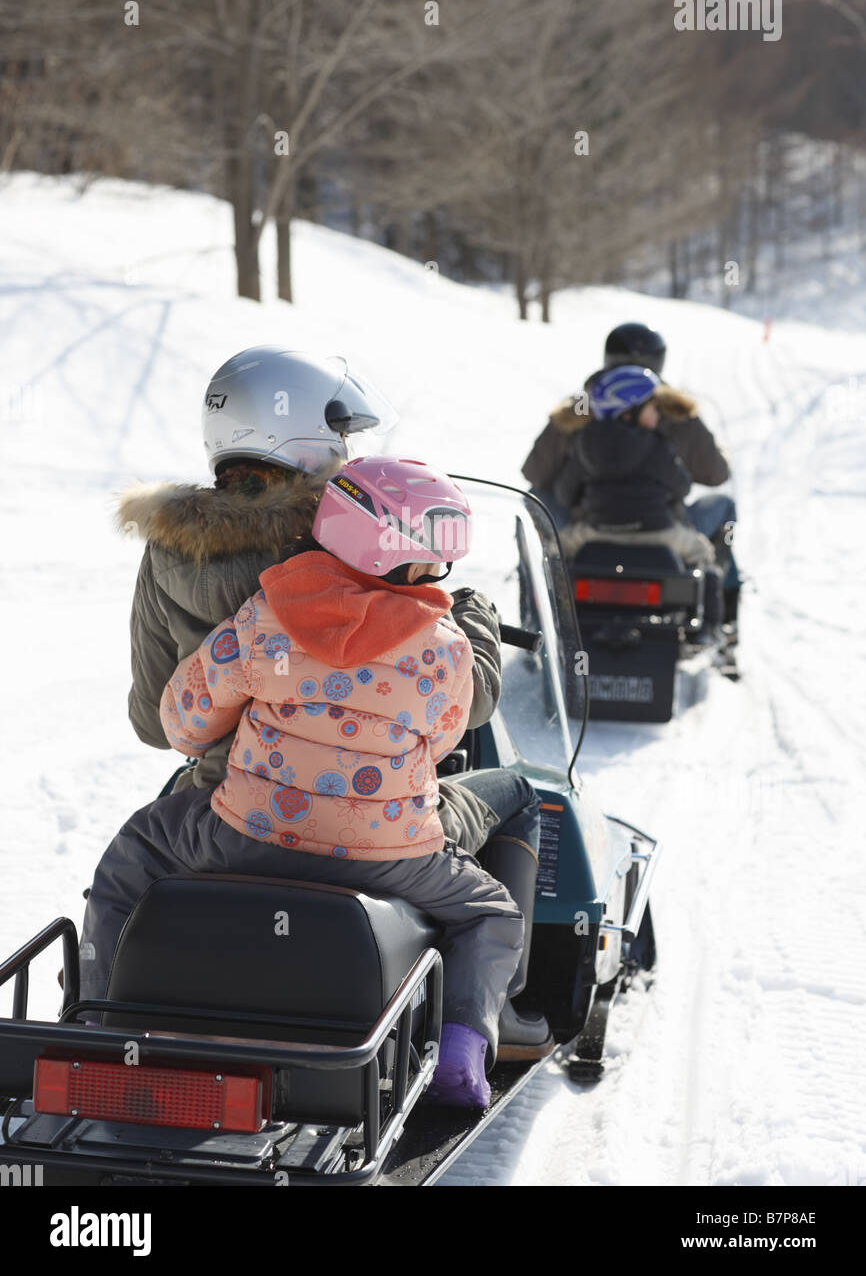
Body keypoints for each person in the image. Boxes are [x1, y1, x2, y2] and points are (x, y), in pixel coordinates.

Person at [116, 346, 548, 1056]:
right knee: (516, 794)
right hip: (367, 812)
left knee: (147, 833)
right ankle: (497, 1013)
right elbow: (460, 708)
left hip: (228, 803)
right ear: (306, 436)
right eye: (340, 434)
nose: (348, 451)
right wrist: (469, 619)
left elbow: (154, 721)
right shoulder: (348, 533)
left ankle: (112, 999)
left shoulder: (168, 547)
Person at [522, 323, 740, 623]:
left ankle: (537, 616)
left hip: (590, 528)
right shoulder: (672, 410)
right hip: (662, 529)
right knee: (723, 509)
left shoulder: (579, 410)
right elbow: (714, 475)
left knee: (534, 502)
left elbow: (536, 473)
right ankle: (722, 622)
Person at [555, 366, 724, 629]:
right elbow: (683, 488)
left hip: (595, 532)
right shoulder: (658, 445)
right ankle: (709, 627)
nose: (657, 414)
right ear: (628, 412)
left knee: (553, 555)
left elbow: (565, 494)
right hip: (658, 533)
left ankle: (550, 619)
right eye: (652, 408)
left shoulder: (585, 442)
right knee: (702, 552)